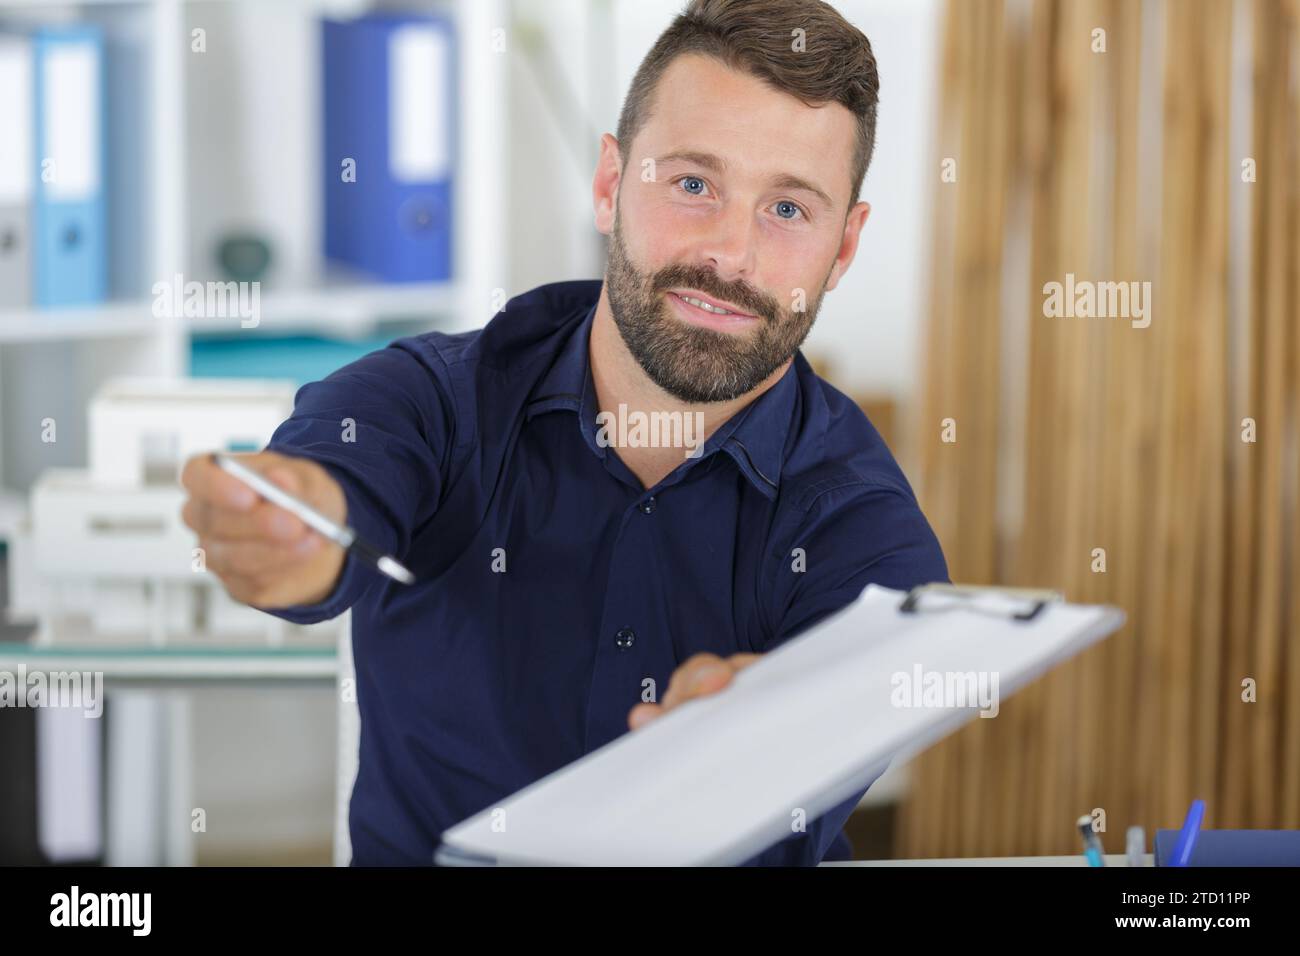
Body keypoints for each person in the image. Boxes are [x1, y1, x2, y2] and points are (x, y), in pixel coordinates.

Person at [180, 0, 947, 865]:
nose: (731, 254)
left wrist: (755, 732)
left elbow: (838, 710)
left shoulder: (867, 534)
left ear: (843, 249)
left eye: (788, 211)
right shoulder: (428, 401)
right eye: (693, 184)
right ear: (610, 185)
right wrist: (289, 532)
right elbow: (330, 490)